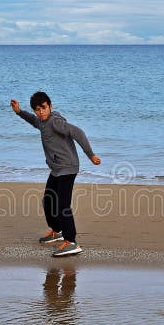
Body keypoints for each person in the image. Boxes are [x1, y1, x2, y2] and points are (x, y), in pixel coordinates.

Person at [10, 91, 101, 256]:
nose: (41, 112)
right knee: (48, 201)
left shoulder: (56, 122)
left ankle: (71, 242)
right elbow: (33, 120)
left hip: (68, 168)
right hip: (57, 169)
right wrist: (19, 112)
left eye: (44, 108)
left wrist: (91, 155)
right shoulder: (41, 121)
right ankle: (57, 231)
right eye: (37, 109)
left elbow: (78, 133)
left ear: (50, 106)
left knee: (62, 206)